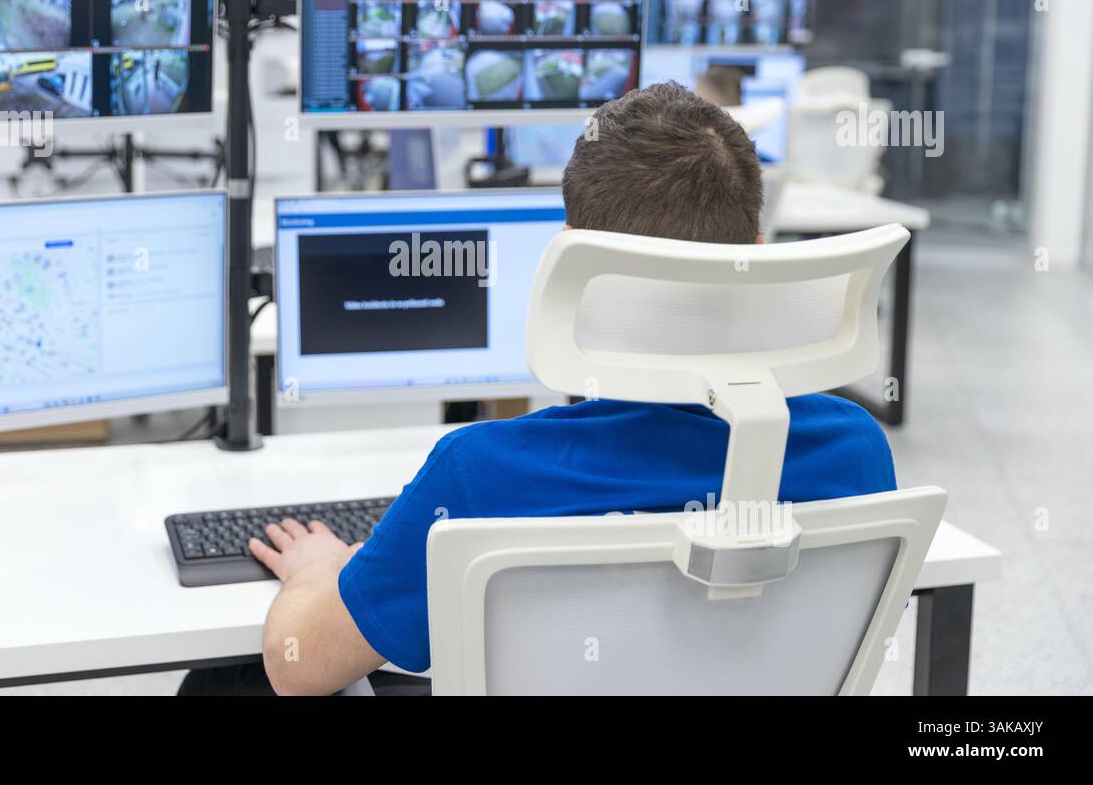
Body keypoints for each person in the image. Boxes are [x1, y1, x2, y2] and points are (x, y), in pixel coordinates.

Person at [217, 82, 896, 695]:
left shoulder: (481, 475)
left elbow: (295, 667)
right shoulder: (855, 449)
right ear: (754, 246)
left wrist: (320, 565)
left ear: (572, 259)